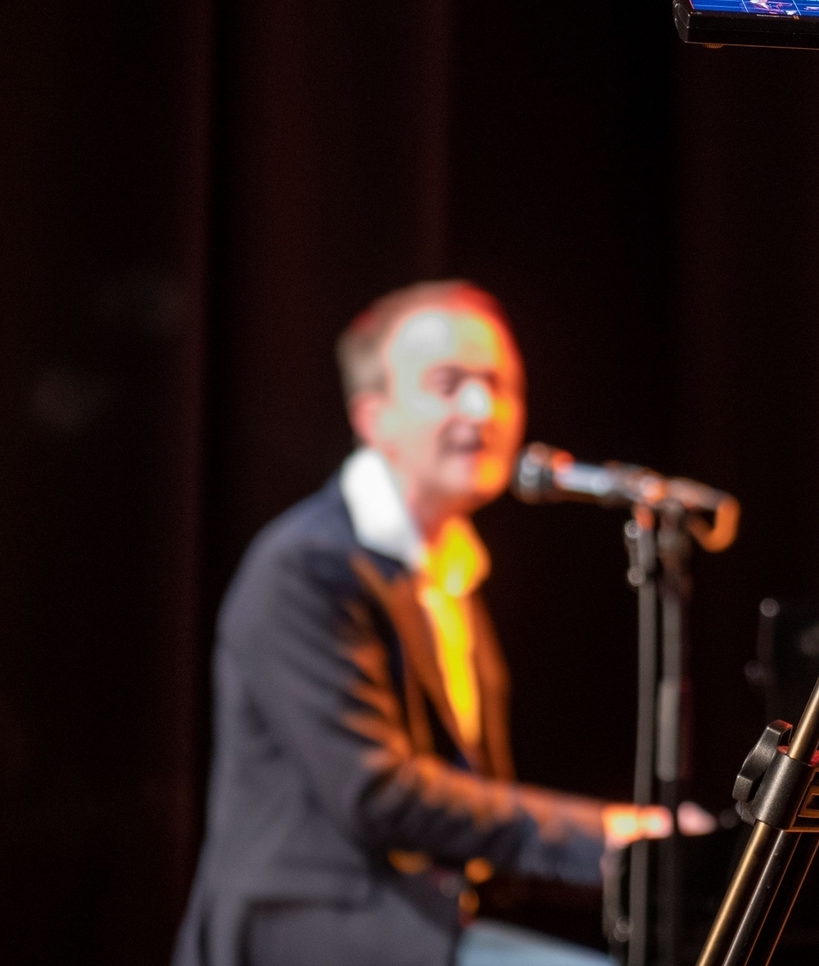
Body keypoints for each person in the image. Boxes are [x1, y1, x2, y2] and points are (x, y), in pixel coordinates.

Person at [175, 281, 665, 966]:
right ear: (372, 414)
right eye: (449, 383)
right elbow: (377, 792)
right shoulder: (306, 565)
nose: (483, 408)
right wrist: (604, 833)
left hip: (416, 922)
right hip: (311, 929)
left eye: (501, 385)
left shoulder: (450, 565)